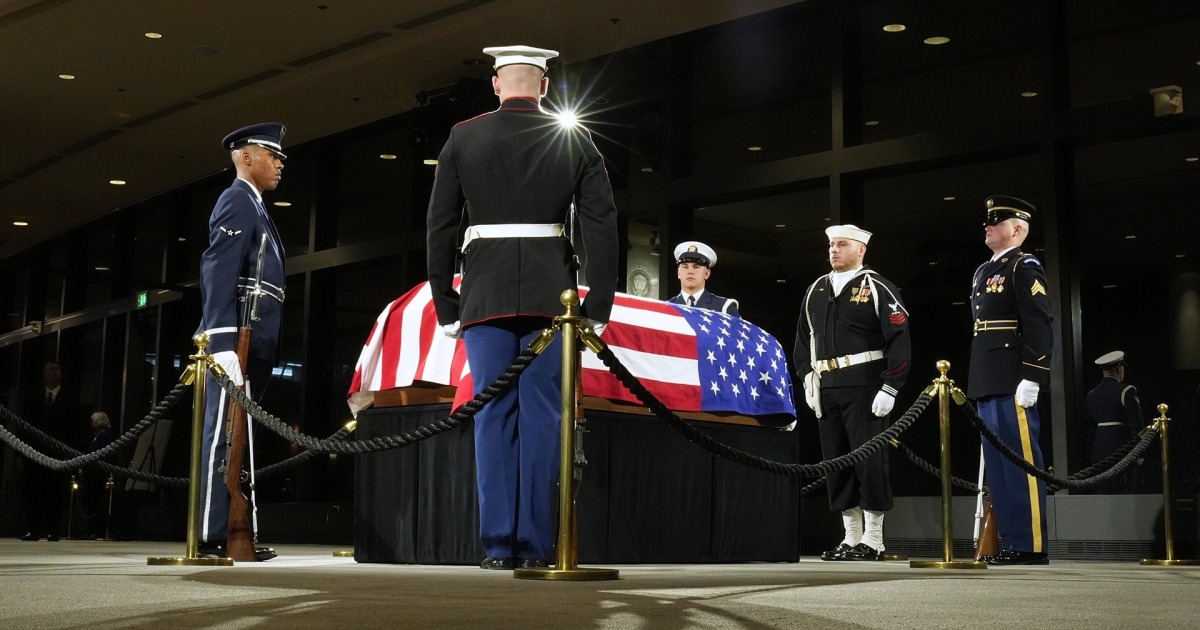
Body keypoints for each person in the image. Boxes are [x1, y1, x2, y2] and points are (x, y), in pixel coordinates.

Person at [426, 44, 618, 570]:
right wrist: (597, 302)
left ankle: (497, 544)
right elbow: (601, 223)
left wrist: (446, 302)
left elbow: (440, 225)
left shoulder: (463, 136)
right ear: (545, 86)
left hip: (483, 294)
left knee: (492, 417)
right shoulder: (574, 136)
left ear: (495, 84)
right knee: (542, 418)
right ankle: (534, 547)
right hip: (550, 295)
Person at [195, 122, 289, 561]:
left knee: (239, 436)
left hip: (256, 337)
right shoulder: (237, 200)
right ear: (246, 156)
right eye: (272, 155)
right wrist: (221, 340)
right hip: (236, 337)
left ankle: (237, 531)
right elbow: (218, 269)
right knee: (221, 435)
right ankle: (212, 532)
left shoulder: (256, 205)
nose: (279, 163)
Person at [794, 224, 910, 561]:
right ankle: (850, 536)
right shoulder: (816, 288)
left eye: (842, 245)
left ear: (861, 250)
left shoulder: (877, 286)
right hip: (827, 387)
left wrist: (891, 385)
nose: (834, 250)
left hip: (866, 385)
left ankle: (873, 539)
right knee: (837, 463)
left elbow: (900, 339)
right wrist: (806, 378)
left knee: (869, 462)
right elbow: (803, 339)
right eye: (831, 244)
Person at [966, 195, 1054, 566]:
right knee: (999, 468)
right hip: (987, 374)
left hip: (1012, 375)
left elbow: (1038, 322)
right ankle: (1012, 540)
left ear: (1017, 229)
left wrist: (1033, 374)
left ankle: (1029, 544)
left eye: (996, 221)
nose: (987, 226)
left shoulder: (1023, 266)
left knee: (1020, 463)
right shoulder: (984, 270)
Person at [19, 360, 83, 541]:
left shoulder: (71, 399)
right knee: (34, 492)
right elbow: (23, 428)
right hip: (34, 454)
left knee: (55, 493)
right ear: (44, 374)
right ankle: (33, 529)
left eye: (57, 369)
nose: (54, 372)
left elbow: (75, 429)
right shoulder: (32, 398)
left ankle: (53, 530)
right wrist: (19, 453)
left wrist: (72, 455)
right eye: (50, 369)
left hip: (58, 455)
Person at [1082, 351, 1144, 494]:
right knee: (1124, 493)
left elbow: (1089, 427)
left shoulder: (1092, 394)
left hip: (1099, 452)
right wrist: (1140, 454)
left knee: (1102, 493)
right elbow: (1137, 426)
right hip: (1123, 452)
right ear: (1119, 369)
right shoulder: (1127, 391)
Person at [667, 241, 740, 316]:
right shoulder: (666, 308)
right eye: (685, 267)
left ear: (707, 273)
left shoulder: (724, 308)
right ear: (679, 273)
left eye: (696, 267)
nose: (690, 271)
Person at [80, 411, 115, 539]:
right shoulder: (97, 436)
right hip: (92, 474)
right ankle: (91, 530)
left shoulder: (104, 436)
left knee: (96, 503)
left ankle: (97, 531)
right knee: (92, 503)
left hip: (98, 475)